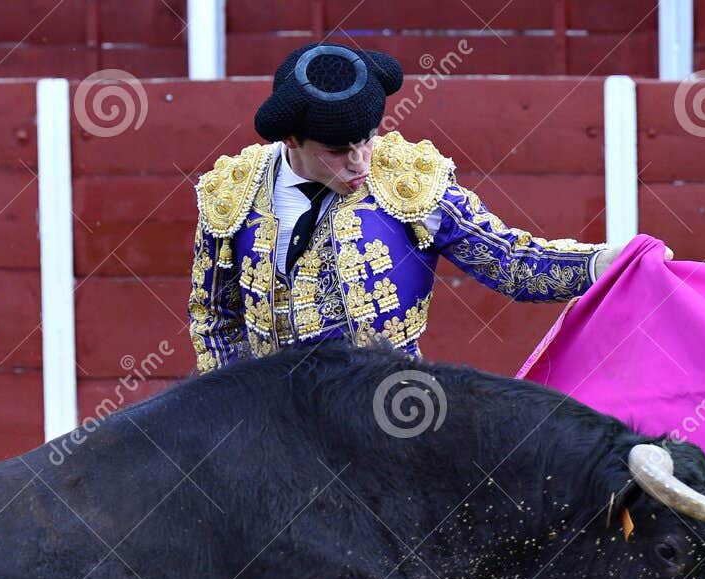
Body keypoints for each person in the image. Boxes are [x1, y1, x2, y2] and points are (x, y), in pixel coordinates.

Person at [187, 41, 669, 372]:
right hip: (273, 431)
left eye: (367, 140)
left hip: (389, 423)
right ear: (292, 139)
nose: (360, 162)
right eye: (338, 151)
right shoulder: (233, 190)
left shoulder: (409, 180)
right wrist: (238, 419)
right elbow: (214, 320)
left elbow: (511, 264)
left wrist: (603, 263)